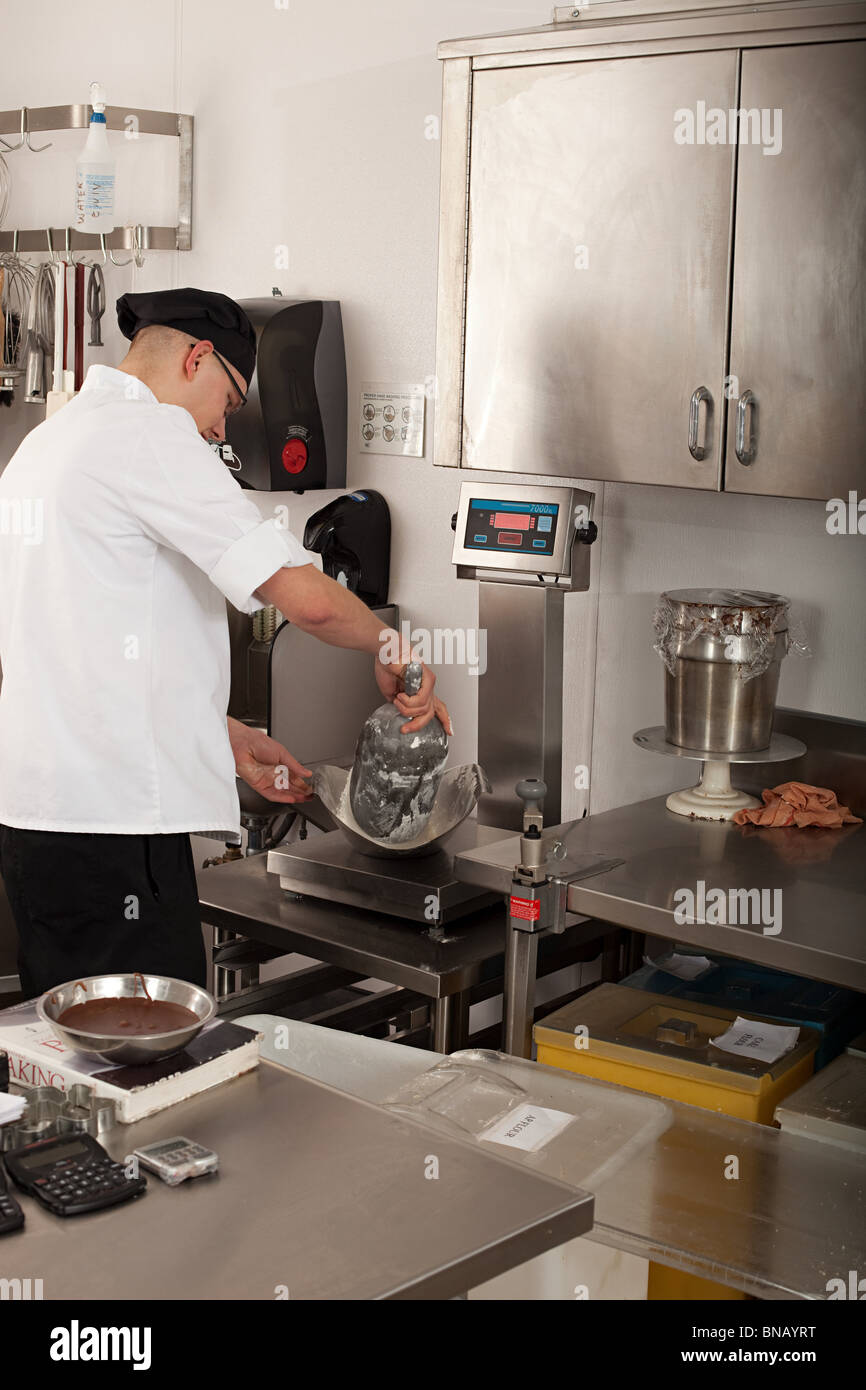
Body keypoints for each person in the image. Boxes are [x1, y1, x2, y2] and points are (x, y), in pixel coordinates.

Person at [0, 287, 450, 997]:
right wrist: (391, 647)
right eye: (231, 403)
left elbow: (86, 643)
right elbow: (306, 599)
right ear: (197, 358)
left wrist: (225, 736)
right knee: (147, 1057)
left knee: (74, 1050)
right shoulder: (148, 436)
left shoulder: (50, 441)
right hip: (116, 832)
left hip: (44, 824)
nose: (220, 431)